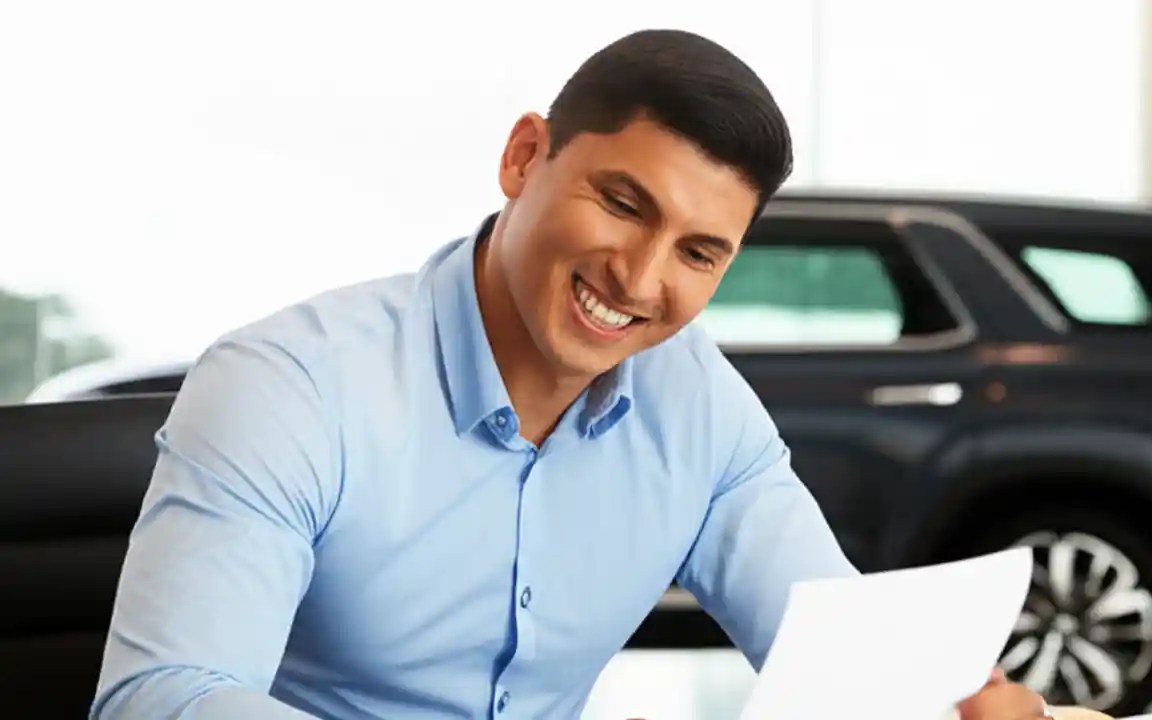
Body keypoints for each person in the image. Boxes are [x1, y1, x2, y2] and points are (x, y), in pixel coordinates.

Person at [91, 29, 1065, 720]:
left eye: (697, 253)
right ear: (524, 157)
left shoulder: (700, 412)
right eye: (621, 202)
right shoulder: (291, 388)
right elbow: (163, 698)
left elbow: (838, 648)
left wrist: (949, 706)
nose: (638, 280)